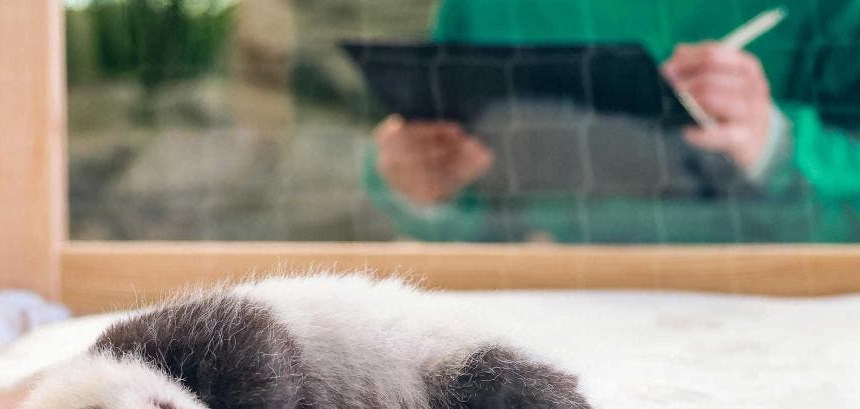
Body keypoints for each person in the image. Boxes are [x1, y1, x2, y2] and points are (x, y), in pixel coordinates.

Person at [364, 1, 860, 243]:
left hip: (766, 317)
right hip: (546, 307)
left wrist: (776, 146)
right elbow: (465, 200)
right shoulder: (486, 8)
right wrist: (414, 183)